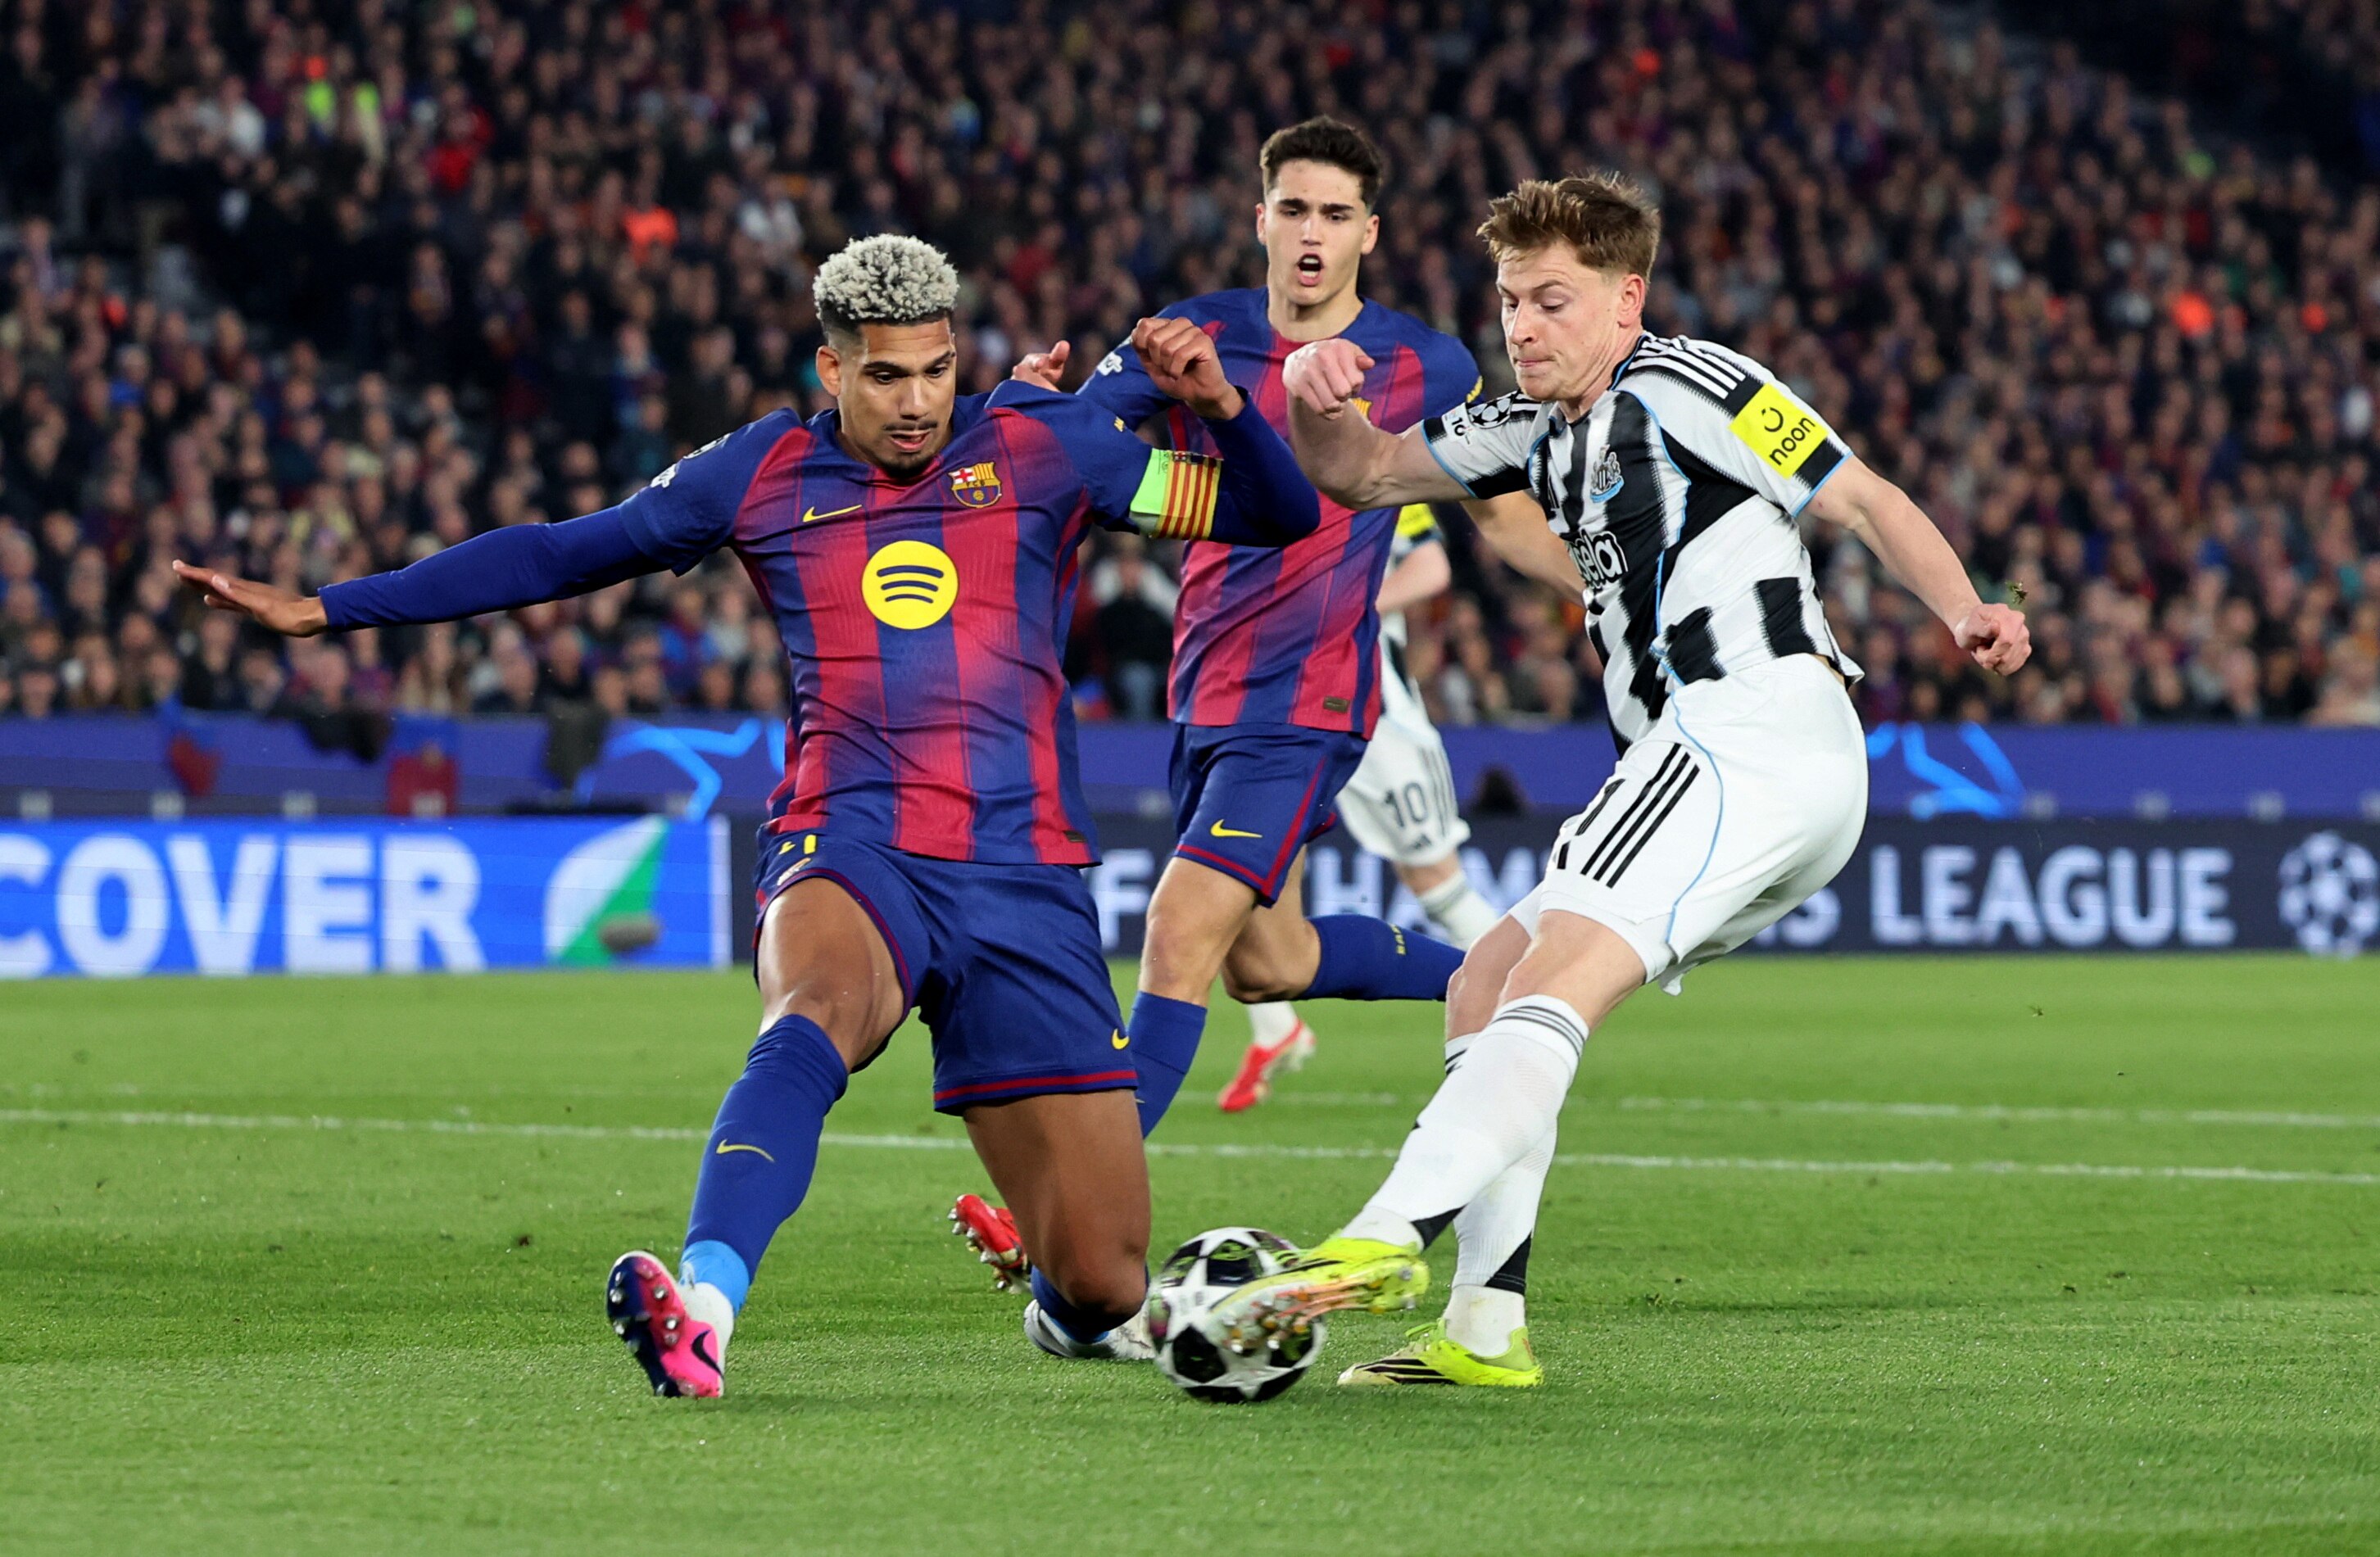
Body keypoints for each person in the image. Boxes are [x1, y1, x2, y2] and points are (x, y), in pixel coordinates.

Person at [172, 234, 1321, 1397]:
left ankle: (1069, 1317)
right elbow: (558, 554)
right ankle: (705, 1310)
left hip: (1024, 874)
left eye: (934, 370)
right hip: (850, 838)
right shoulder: (758, 473)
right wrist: (331, 608)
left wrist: (1222, 407)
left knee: (1104, 1278)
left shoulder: (1047, 446)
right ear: (831, 369)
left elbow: (1277, 516)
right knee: (814, 1009)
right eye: (884, 376)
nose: (916, 401)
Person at [1208, 173, 2031, 1387]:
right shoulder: (1527, 433)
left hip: (1751, 722)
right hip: (1720, 762)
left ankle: (1383, 1237)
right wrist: (1304, 390)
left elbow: (1860, 498)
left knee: (1553, 975)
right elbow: (1363, 475)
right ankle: (1483, 1332)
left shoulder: (1690, 383)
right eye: (1509, 301)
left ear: (1624, 301)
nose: (1523, 325)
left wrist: (1965, 607)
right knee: (1489, 976)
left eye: (1552, 300)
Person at [947, 118, 1579, 1291]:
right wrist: (1014, 404)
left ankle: (1061, 1219)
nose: (1311, 233)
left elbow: (1488, 506)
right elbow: (1071, 434)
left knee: (1179, 935)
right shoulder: (1201, 334)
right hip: (1206, 694)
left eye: (1336, 215)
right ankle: (1492, 970)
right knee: (1267, 962)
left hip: (1308, 701)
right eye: (1293, 208)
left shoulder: (1426, 364)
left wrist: (1592, 581)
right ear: (1261, 219)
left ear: (1368, 234)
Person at [1218, 501, 1507, 1113]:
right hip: (1289, 705)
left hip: (1378, 713)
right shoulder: (1269, 468)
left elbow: (1429, 568)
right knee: (1240, 866)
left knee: (1435, 880)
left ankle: (1525, 1004)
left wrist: (1345, 609)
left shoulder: (1371, 471)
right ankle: (1275, 1029)